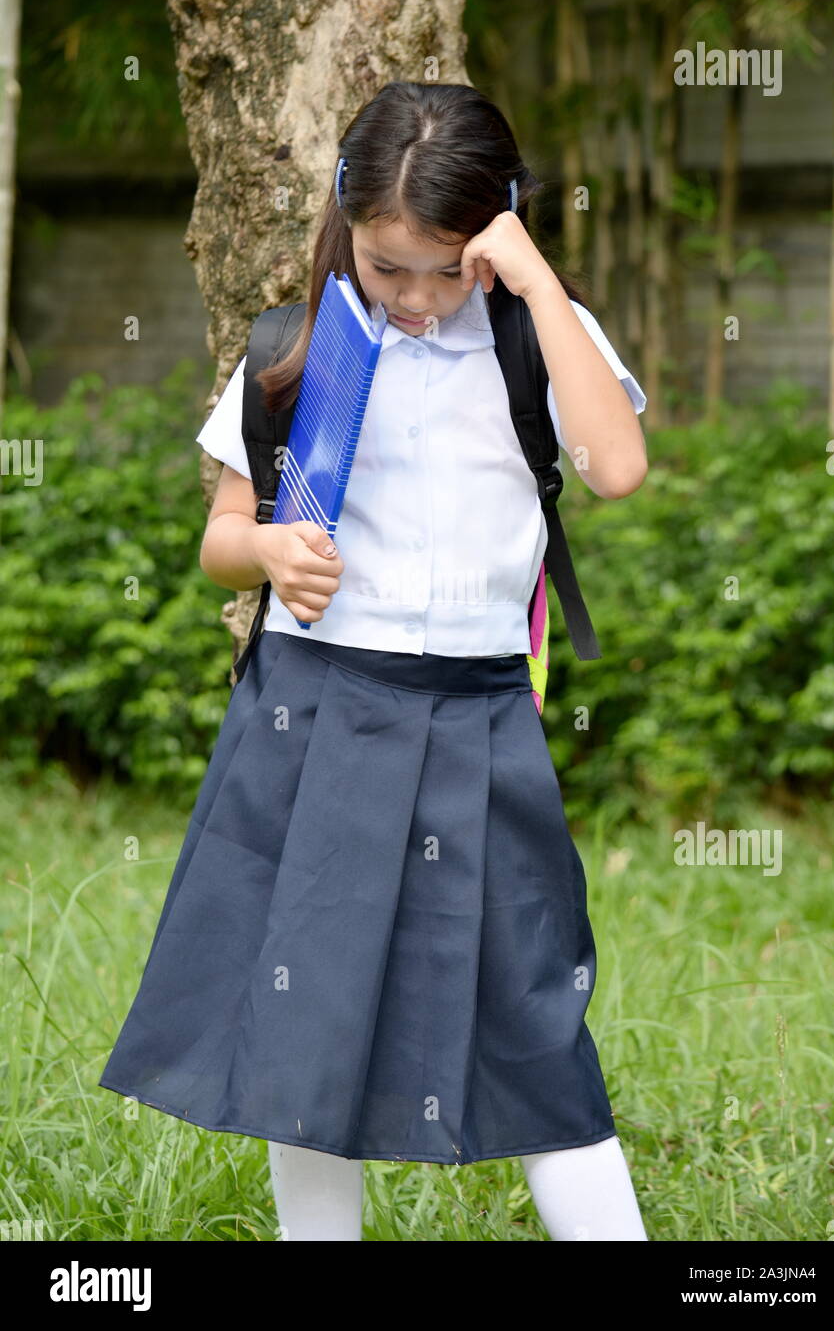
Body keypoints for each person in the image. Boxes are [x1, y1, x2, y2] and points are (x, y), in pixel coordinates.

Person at [99, 80, 650, 1242]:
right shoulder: (299, 349)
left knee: (534, 1018)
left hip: (479, 717)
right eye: (384, 264)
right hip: (315, 711)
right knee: (308, 1018)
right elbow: (219, 543)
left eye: (440, 268)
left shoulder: (533, 332)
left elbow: (614, 467)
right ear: (345, 224)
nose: (410, 296)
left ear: (495, 227)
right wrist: (265, 551)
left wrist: (535, 281)